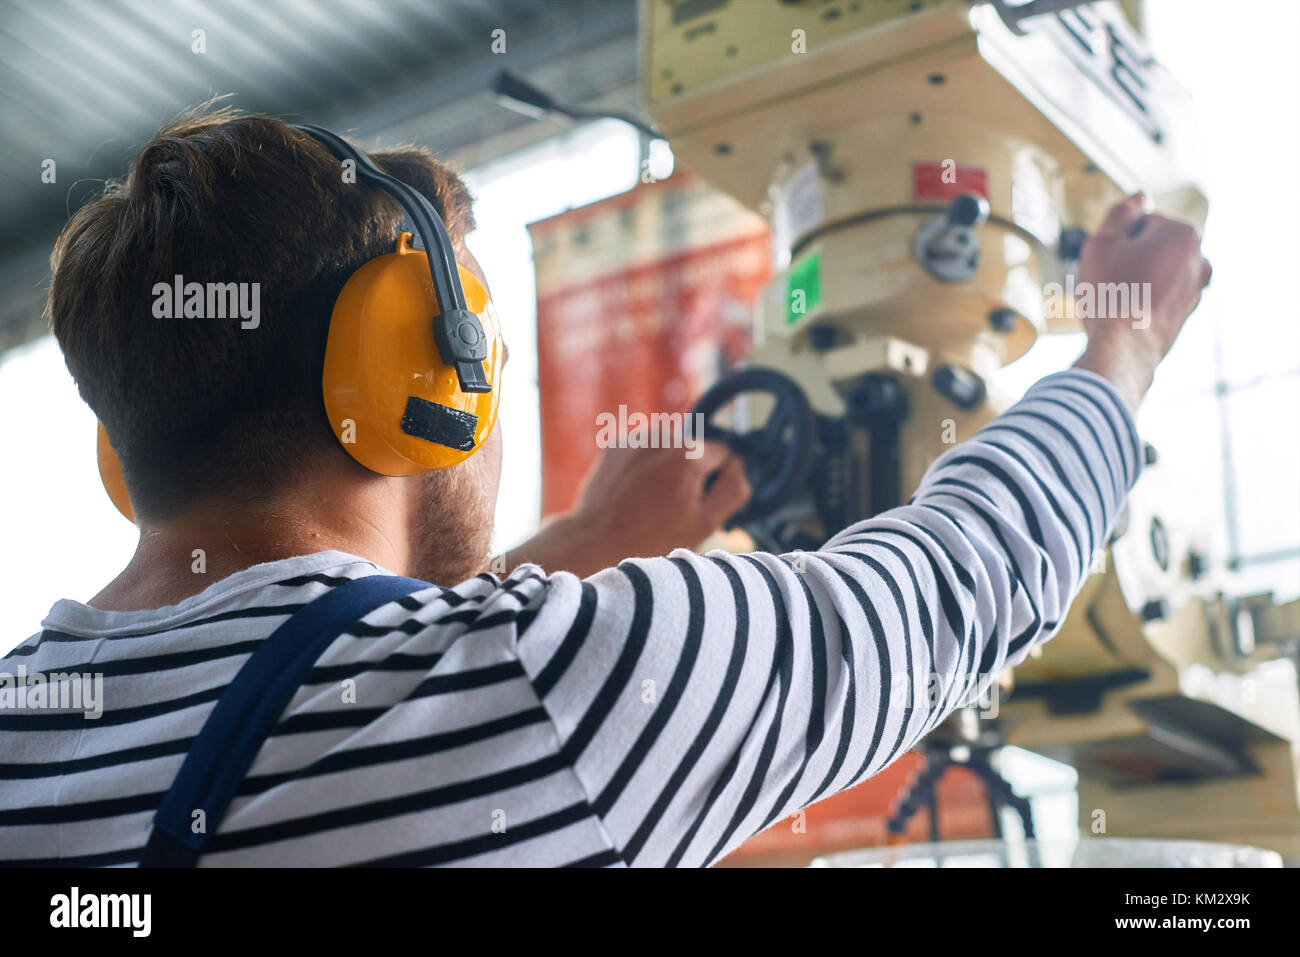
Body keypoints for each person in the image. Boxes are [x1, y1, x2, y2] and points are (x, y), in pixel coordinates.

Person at [0, 107, 1210, 867]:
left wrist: (585, 541)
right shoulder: (560, 686)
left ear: (127, 445)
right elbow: (960, 582)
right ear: (427, 375)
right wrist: (1125, 342)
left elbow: (366, 680)